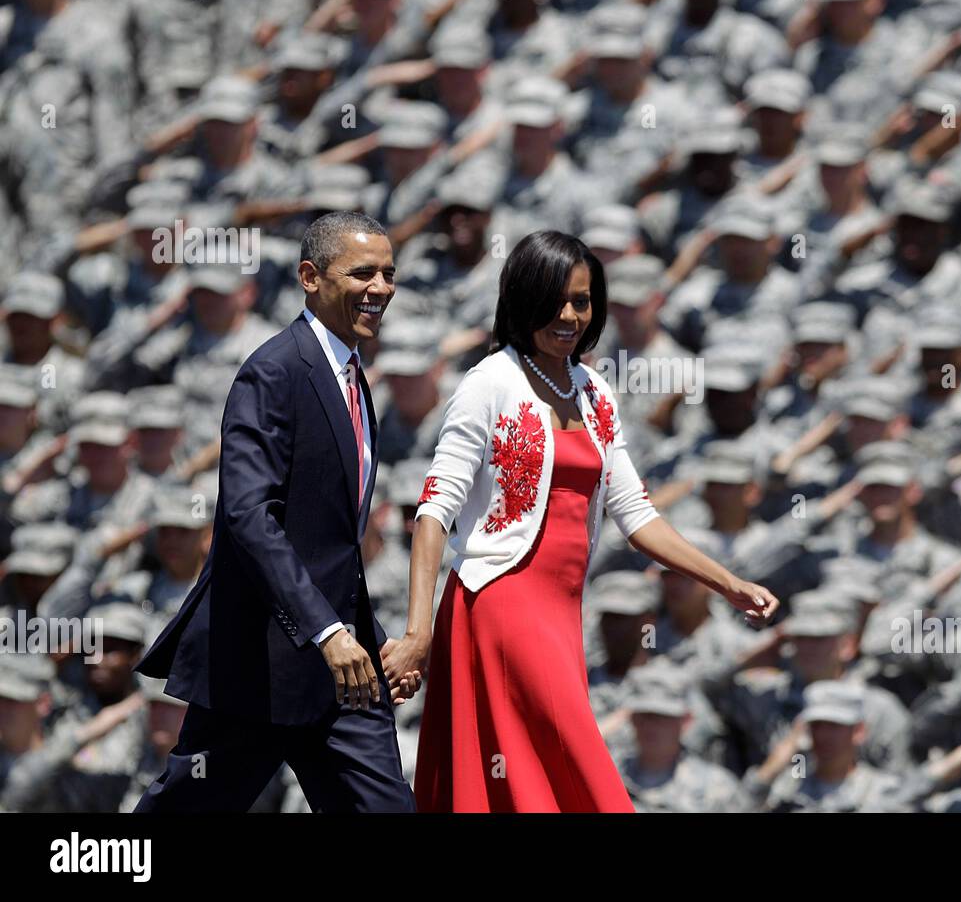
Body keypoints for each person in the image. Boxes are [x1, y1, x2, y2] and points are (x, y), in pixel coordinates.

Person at [382, 230, 779, 812]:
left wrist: (728, 583)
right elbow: (434, 511)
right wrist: (419, 633)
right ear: (521, 300)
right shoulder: (489, 383)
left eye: (583, 301)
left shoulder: (593, 390)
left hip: (564, 616)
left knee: (534, 782)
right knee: (582, 772)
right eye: (556, 300)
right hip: (500, 606)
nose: (570, 315)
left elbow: (637, 516)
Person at [132, 211, 417, 812]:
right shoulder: (273, 370)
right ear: (310, 277)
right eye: (363, 272)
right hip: (259, 667)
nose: (381, 288)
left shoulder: (352, 374)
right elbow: (248, 517)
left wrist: (367, 637)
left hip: (343, 677)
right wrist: (326, 631)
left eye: (389, 274)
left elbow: (327, 541)